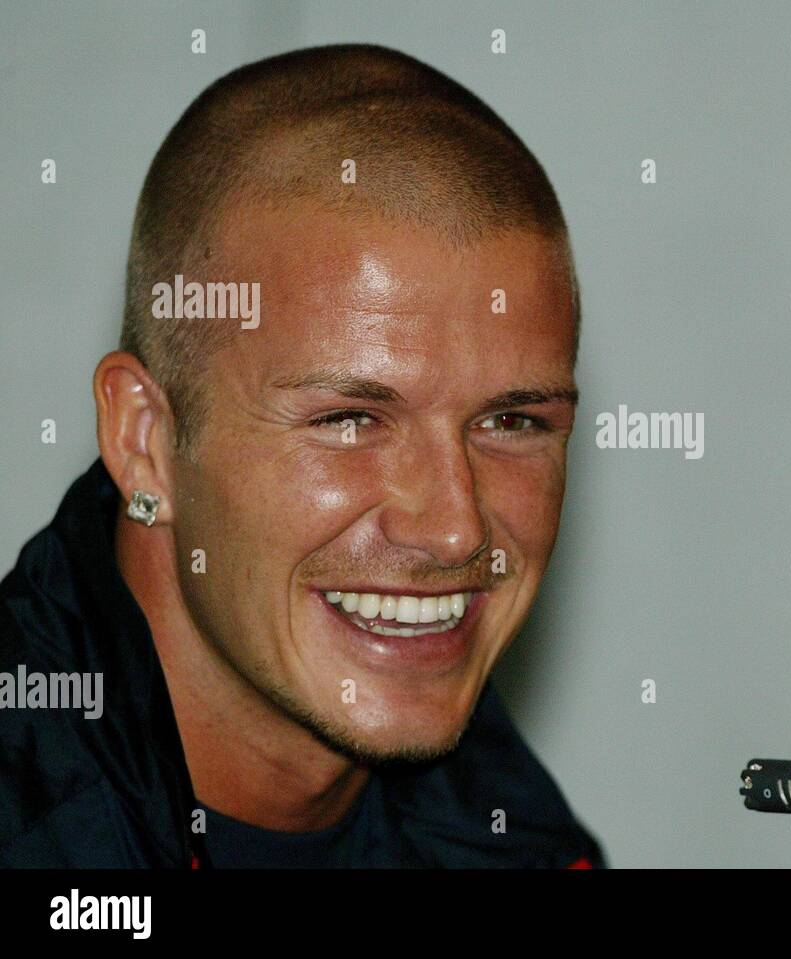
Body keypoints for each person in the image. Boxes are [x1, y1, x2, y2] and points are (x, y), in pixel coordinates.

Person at [0, 44, 603, 868]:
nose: (457, 528)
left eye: (514, 421)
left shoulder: (518, 841)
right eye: (352, 419)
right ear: (144, 442)